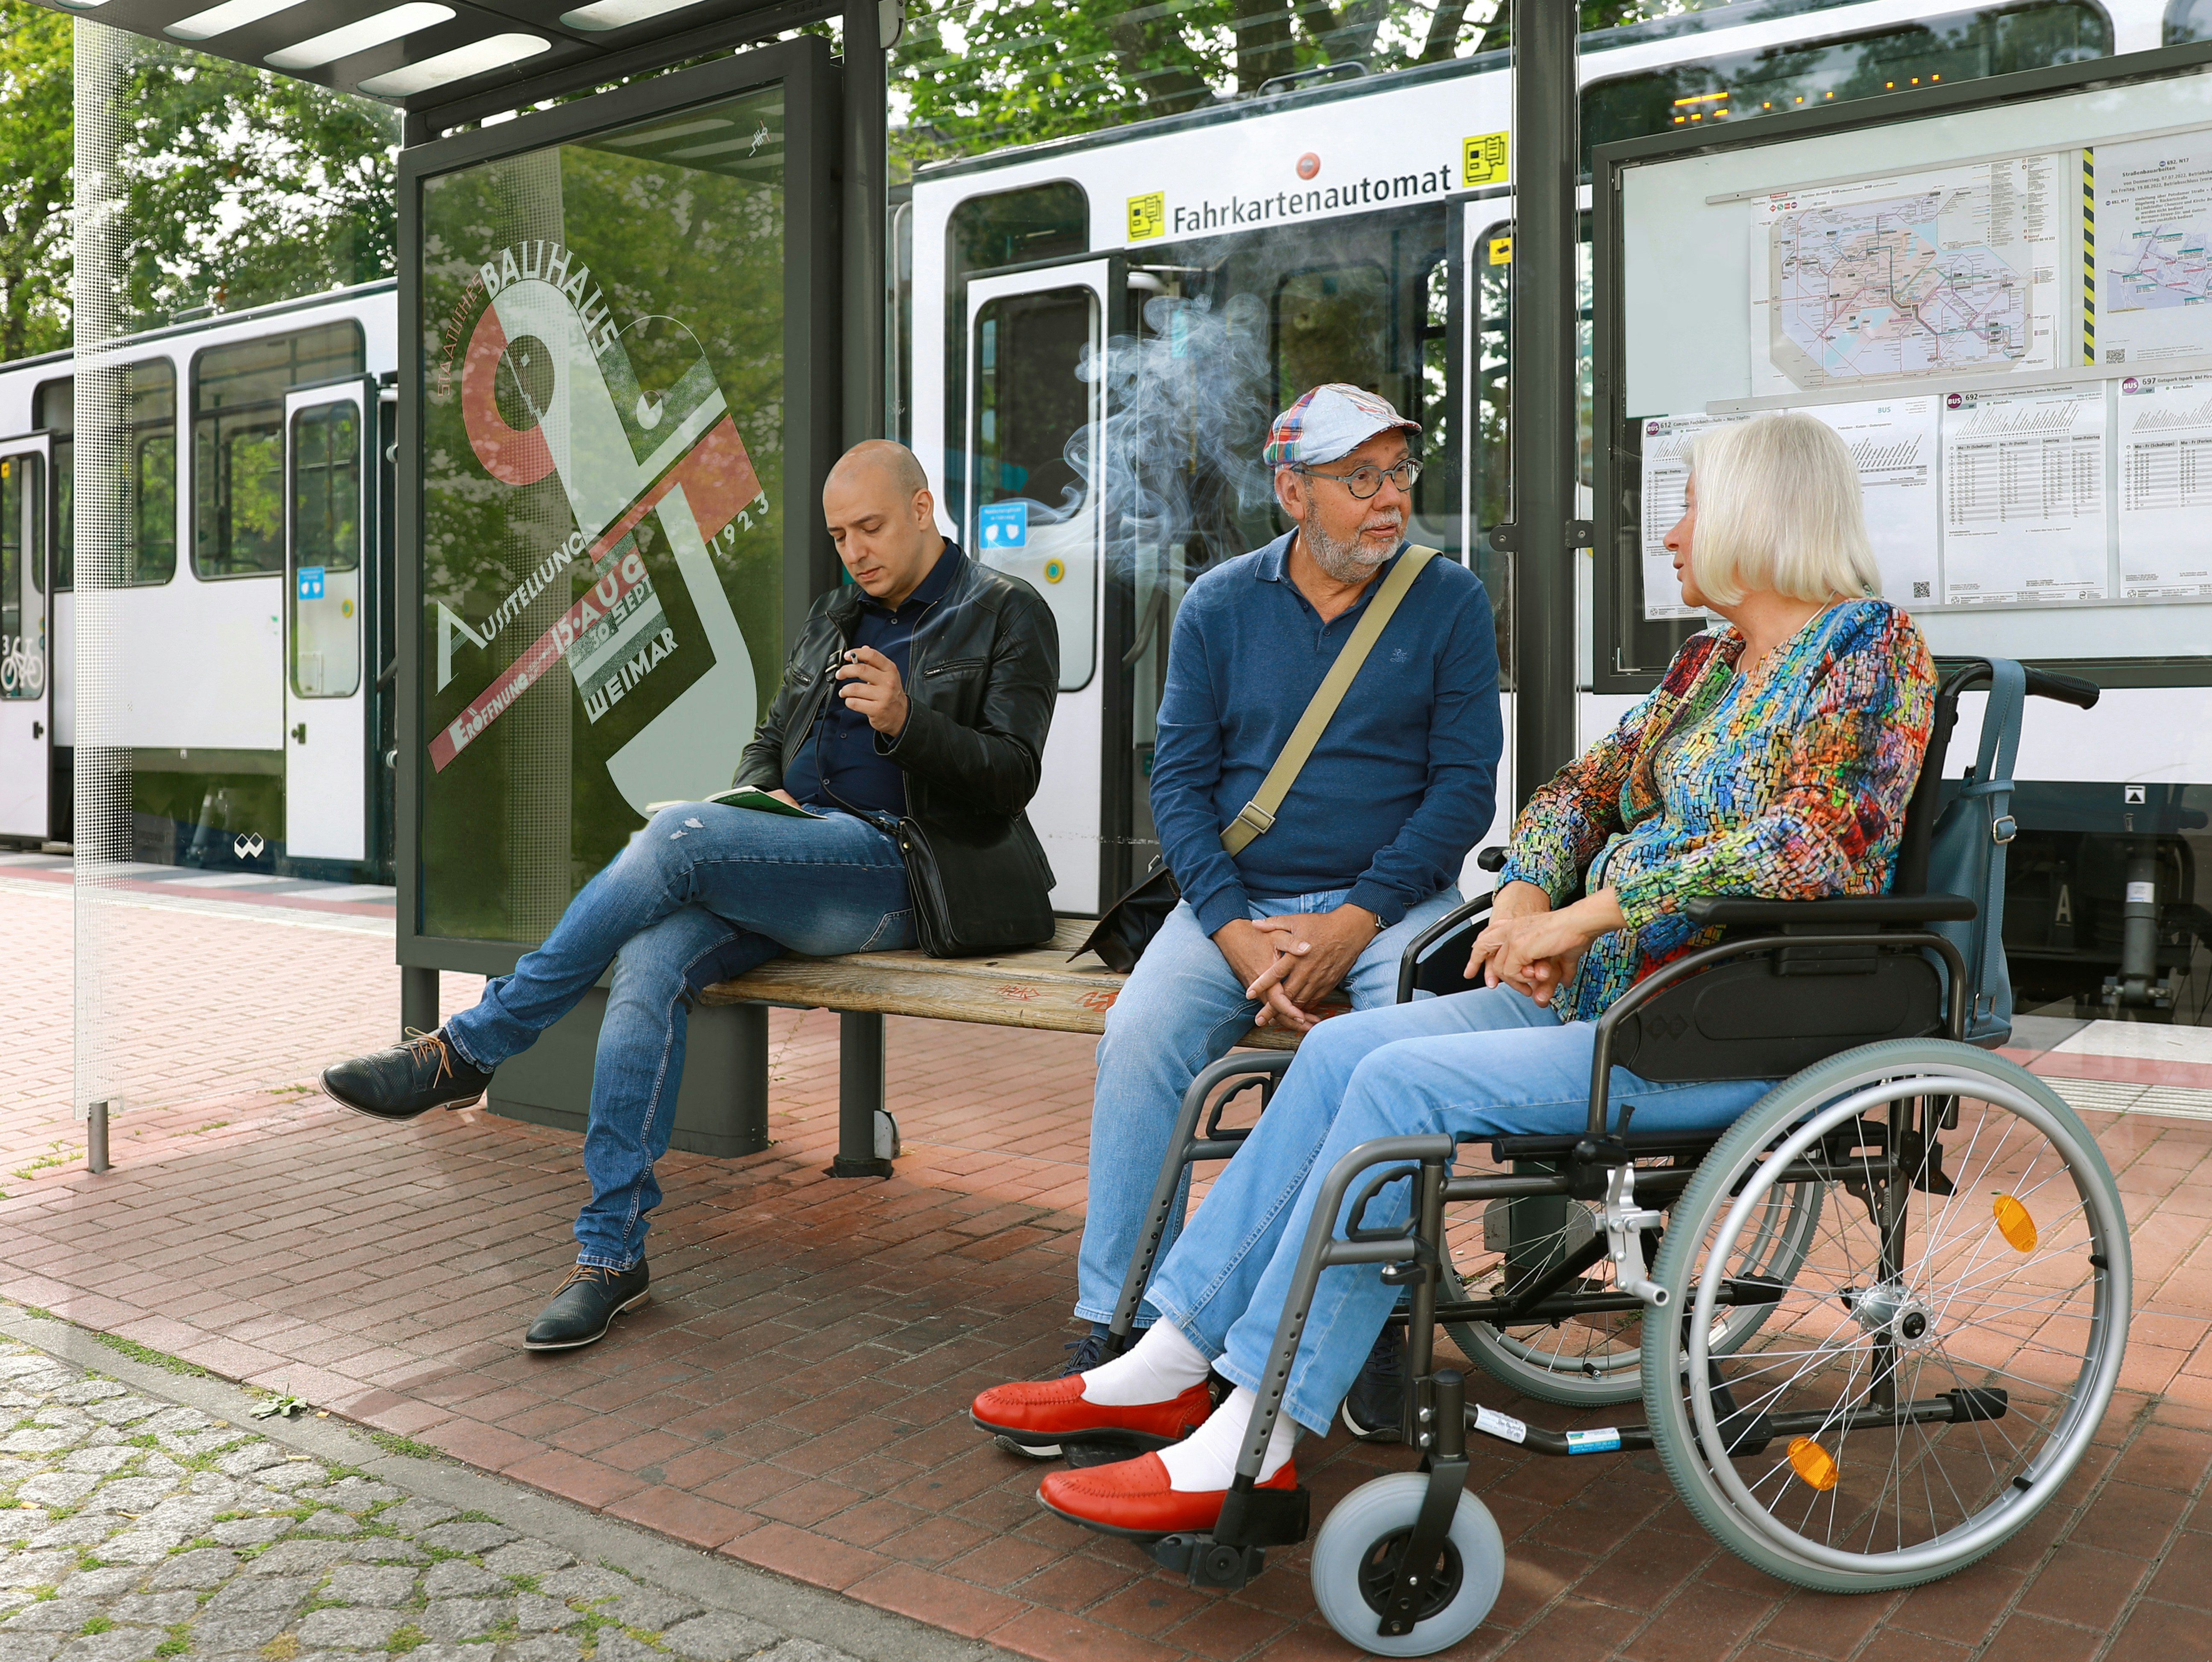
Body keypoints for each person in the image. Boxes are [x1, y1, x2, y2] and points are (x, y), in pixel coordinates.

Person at [971, 411, 1936, 1535]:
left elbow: (1814, 844)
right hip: (1608, 1004)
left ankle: (1257, 1440)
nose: (1668, 537)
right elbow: (1580, 790)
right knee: (1337, 1050)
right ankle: (1174, 1358)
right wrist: (1530, 888)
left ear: (1756, 517)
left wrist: (1590, 912)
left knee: (1397, 1088)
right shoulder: (1710, 664)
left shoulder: (1871, 651)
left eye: (1685, 508)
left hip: (1709, 1022)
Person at [321, 441, 1061, 1351]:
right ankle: (609, 1254)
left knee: (675, 839)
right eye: (838, 535)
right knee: (650, 956)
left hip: (904, 872)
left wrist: (909, 722)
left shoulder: (1005, 611)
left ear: (921, 508)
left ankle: (471, 1046)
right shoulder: (838, 614)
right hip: (797, 856)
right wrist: (759, 795)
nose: (854, 551)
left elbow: (1011, 777)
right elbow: (770, 735)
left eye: (869, 527)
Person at [1027, 382, 1501, 1449]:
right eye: (1359, 478)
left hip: (1389, 905)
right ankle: (1117, 1322)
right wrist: (1235, 928)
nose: (1389, 501)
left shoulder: (1450, 601)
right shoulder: (1220, 605)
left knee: (1403, 1058)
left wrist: (1359, 917)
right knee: (1141, 1035)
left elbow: (1464, 789)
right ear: (1293, 491)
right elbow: (1182, 785)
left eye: (1398, 474)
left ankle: (1374, 1318)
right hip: (1236, 904)